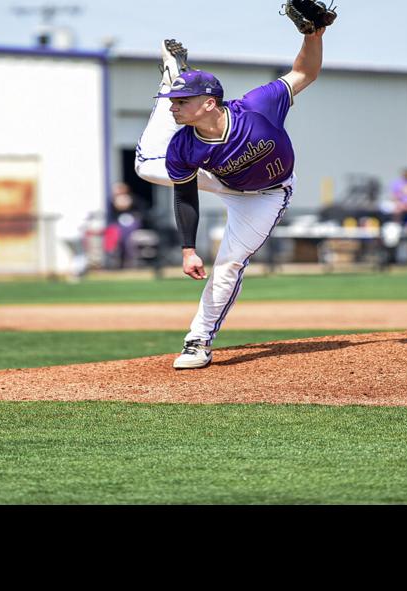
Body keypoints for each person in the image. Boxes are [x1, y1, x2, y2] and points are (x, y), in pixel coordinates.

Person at [132, 23, 327, 370]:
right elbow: (185, 196)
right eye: (172, 101)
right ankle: (172, 77)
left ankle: (198, 338)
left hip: (267, 195)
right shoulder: (184, 144)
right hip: (219, 178)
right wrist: (188, 250)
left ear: (209, 103)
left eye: (181, 101)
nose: (173, 108)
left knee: (228, 264)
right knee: (146, 166)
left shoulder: (259, 106)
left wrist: (313, 35)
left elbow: (304, 72)